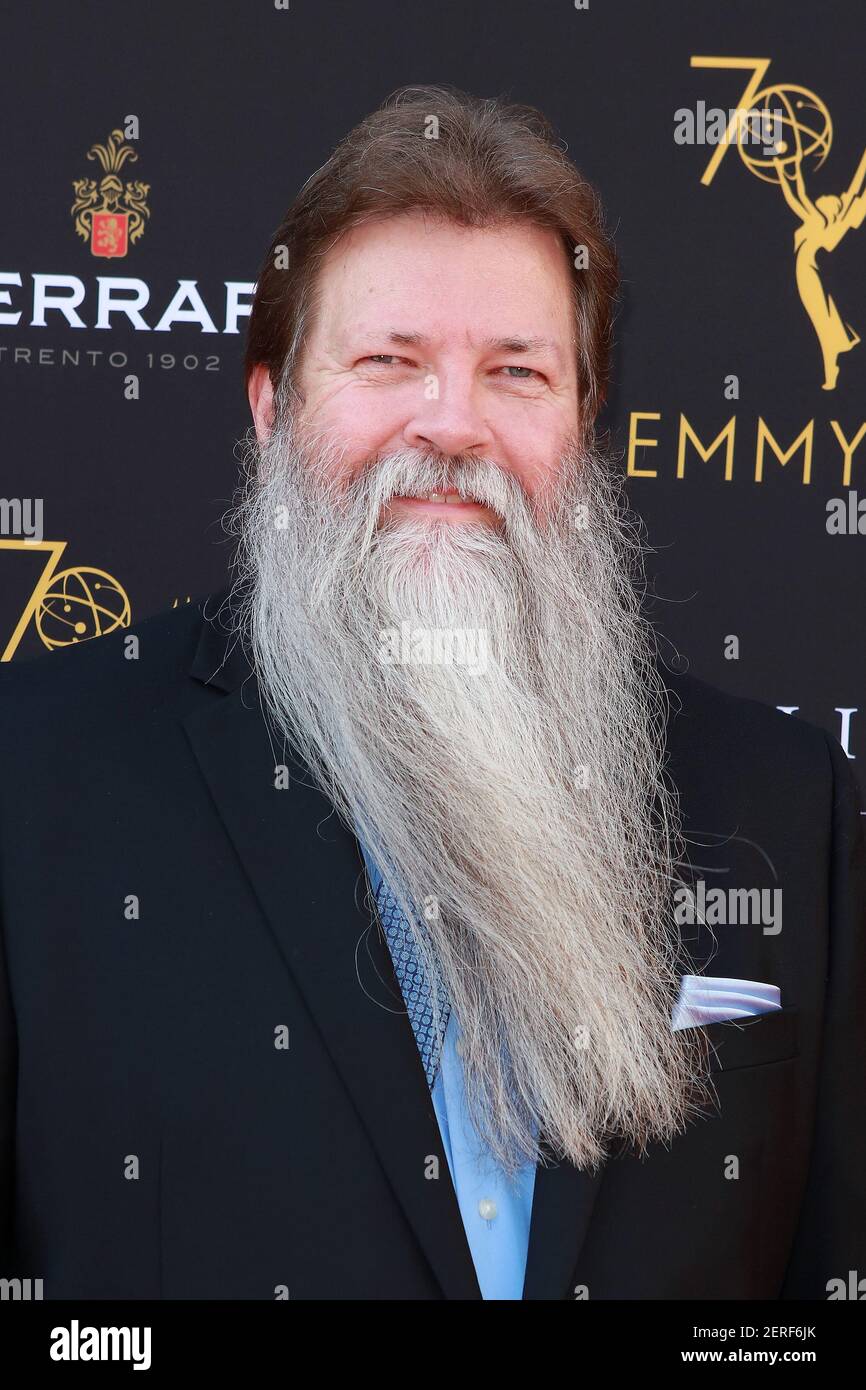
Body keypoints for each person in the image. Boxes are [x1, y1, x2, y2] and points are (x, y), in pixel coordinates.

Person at [0, 85, 863, 1300]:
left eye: (516, 371)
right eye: (387, 361)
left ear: (582, 422)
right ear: (269, 406)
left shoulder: (780, 807)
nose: (450, 424)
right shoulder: (35, 776)